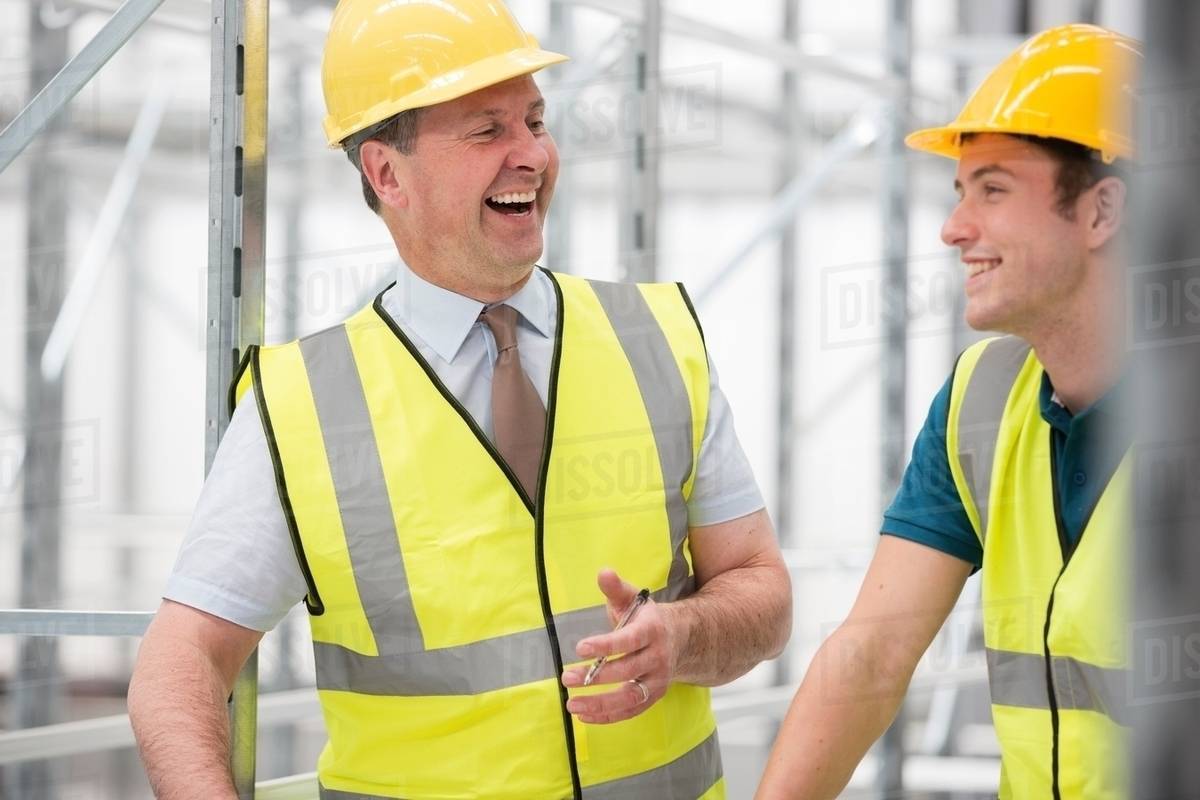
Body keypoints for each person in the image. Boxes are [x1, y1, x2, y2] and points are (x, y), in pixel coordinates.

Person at [126, 1, 791, 798]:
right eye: (487, 131)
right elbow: (179, 666)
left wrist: (681, 635)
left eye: (535, 121)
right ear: (386, 174)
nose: (532, 155)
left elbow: (762, 590)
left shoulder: (655, 337)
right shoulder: (300, 408)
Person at [755, 23, 1137, 800]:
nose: (953, 228)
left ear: (1102, 213)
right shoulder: (982, 399)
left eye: (992, 190)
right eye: (958, 193)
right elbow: (870, 656)